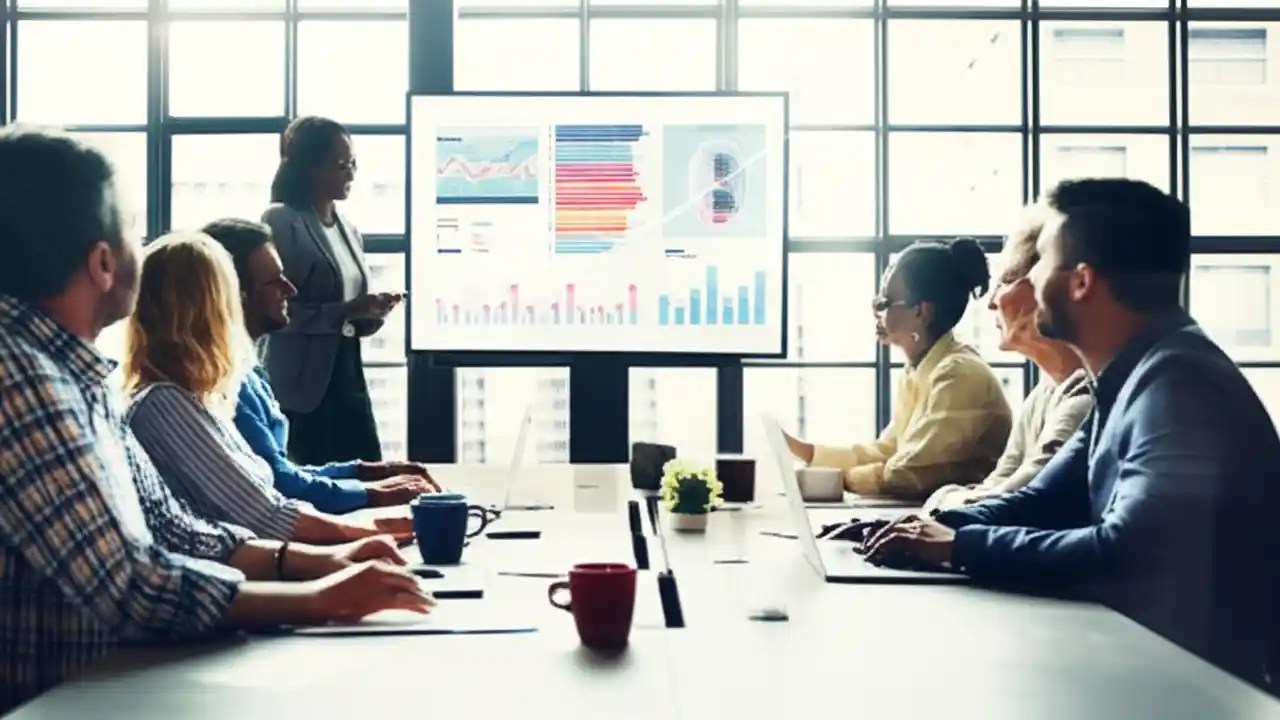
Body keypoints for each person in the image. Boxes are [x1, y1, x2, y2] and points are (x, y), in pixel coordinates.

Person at [0, 127, 432, 712]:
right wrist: (319, 597)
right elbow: (134, 587)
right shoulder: (22, 377)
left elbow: (173, 529)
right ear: (103, 262)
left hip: (114, 683)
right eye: (134, 232)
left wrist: (323, 563)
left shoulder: (77, 376)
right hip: (67, 700)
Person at [857, 179, 1280, 691]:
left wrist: (959, 546)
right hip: (1140, 667)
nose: (1029, 282)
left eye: (1043, 262)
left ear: (1081, 281)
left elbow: (1125, 553)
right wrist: (922, 528)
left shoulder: (1179, 387)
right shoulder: (1130, 376)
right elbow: (1041, 500)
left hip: (1191, 692)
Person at [124, 232, 415, 544]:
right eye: (229, 296)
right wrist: (379, 527)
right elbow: (270, 512)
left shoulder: (208, 392)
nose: (290, 290)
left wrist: (367, 479)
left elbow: (268, 482)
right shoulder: (169, 404)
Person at [201, 217, 439, 514]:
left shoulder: (248, 371)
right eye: (275, 281)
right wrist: (376, 493)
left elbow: (284, 471)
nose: (290, 290)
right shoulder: (221, 383)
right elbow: (280, 483)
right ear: (235, 295)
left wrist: (371, 472)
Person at [784, 237, 1013, 500]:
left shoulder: (959, 376)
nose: (876, 312)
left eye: (884, 303)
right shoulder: (919, 370)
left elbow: (906, 474)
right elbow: (887, 451)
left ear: (922, 311)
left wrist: (837, 479)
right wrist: (803, 451)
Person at [923, 208, 1093, 513]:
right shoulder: (1044, 393)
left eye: (1006, 281)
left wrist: (944, 499)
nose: (992, 302)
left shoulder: (1085, 400)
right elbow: (996, 486)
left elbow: (1011, 502)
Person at [262, 116, 401, 466]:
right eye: (341, 165)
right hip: (301, 387)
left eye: (353, 164)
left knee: (368, 474)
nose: (351, 173)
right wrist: (347, 310)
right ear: (310, 167)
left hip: (347, 375)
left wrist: (371, 313)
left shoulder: (349, 230)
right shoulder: (282, 220)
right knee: (310, 481)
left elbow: (349, 316)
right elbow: (276, 312)